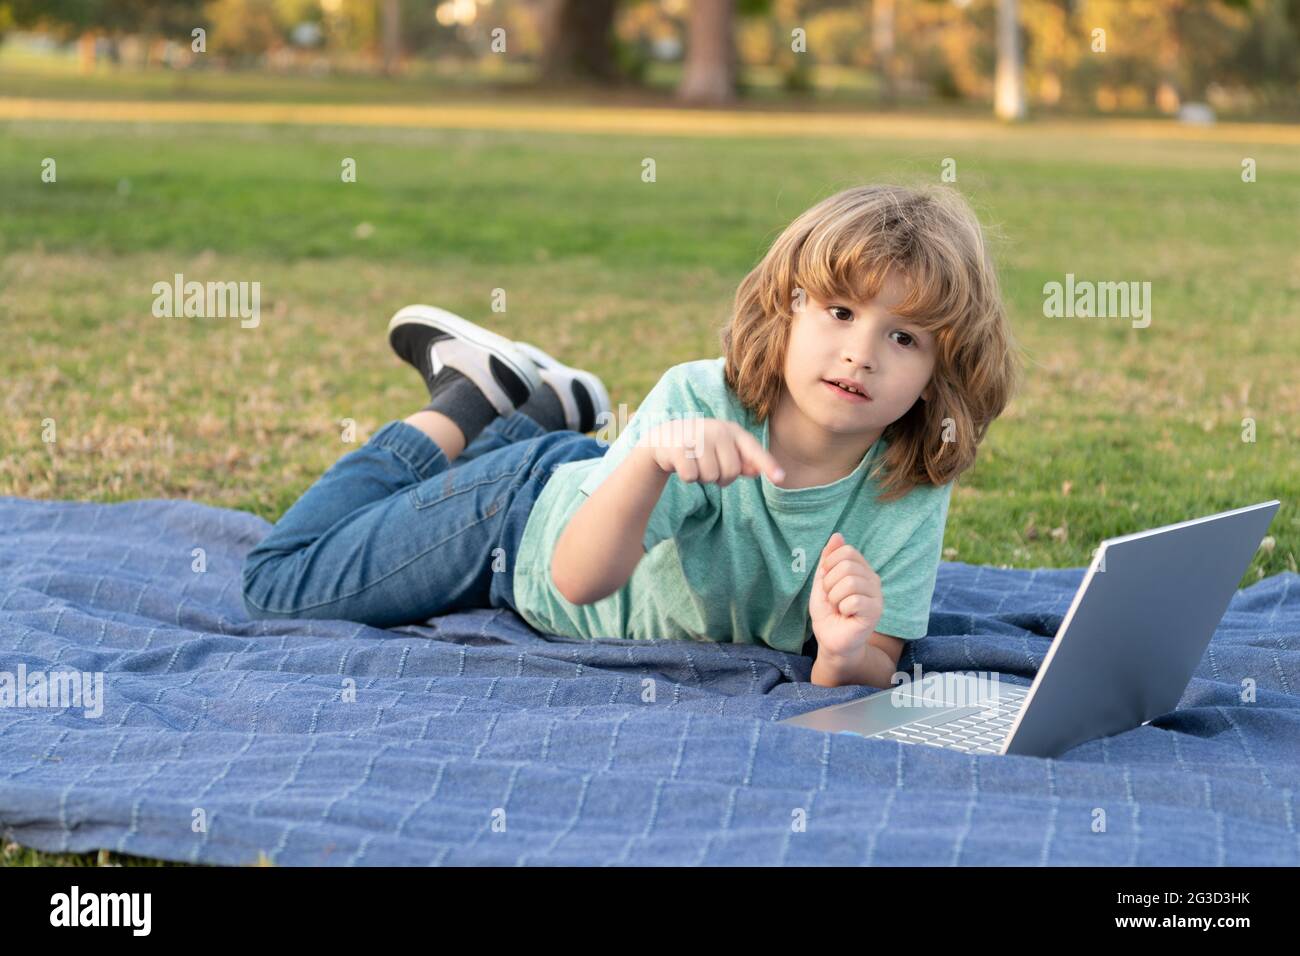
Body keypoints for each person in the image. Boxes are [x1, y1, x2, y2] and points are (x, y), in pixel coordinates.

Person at [241, 183, 1022, 689]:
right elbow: (577, 581)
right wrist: (648, 461)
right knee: (281, 582)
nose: (861, 353)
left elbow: (875, 662)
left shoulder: (911, 476)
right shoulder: (700, 402)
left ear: (940, 372)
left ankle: (541, 409)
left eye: (904, 338)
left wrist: (846, 654)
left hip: (585, 474)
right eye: (841, 313)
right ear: (787, 310)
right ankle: (465, 398)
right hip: (515, 523)